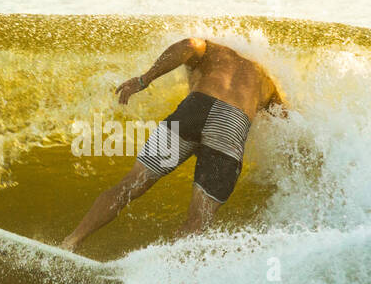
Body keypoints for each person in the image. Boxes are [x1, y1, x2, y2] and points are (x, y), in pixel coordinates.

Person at [60, 37, 285, 251]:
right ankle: (166, 276)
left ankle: (71, 242)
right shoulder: (266, 81)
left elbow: (187, 45)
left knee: (128, 186)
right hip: (231, 123)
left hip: (196, 108)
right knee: (198, 220)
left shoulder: (215, 50)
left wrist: (143, 80)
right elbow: (286, 121)